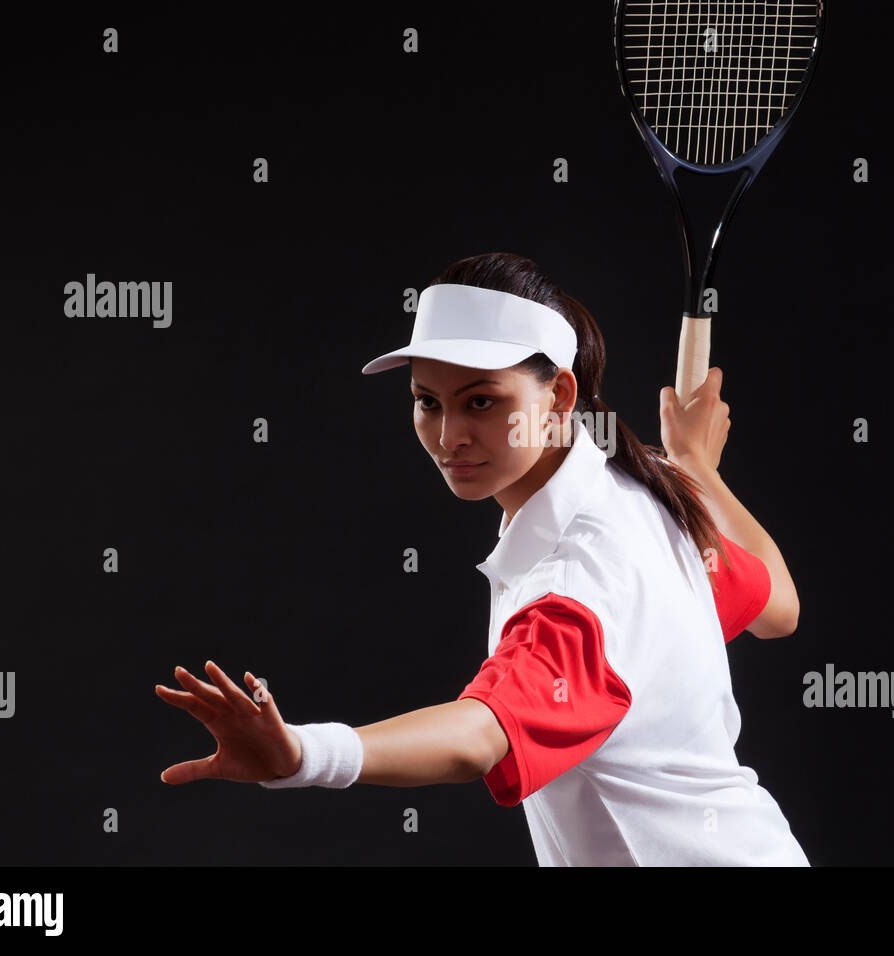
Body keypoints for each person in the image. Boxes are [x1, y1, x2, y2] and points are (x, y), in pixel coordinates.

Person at [155, 252, 809, 866]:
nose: (448, 437)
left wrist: (306, 754)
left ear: (557, 397)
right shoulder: (647, 489)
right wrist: (697, 468)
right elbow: (777, 606)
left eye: (481, 401)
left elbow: (480, 734)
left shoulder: (580, 575)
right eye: (427, 402)